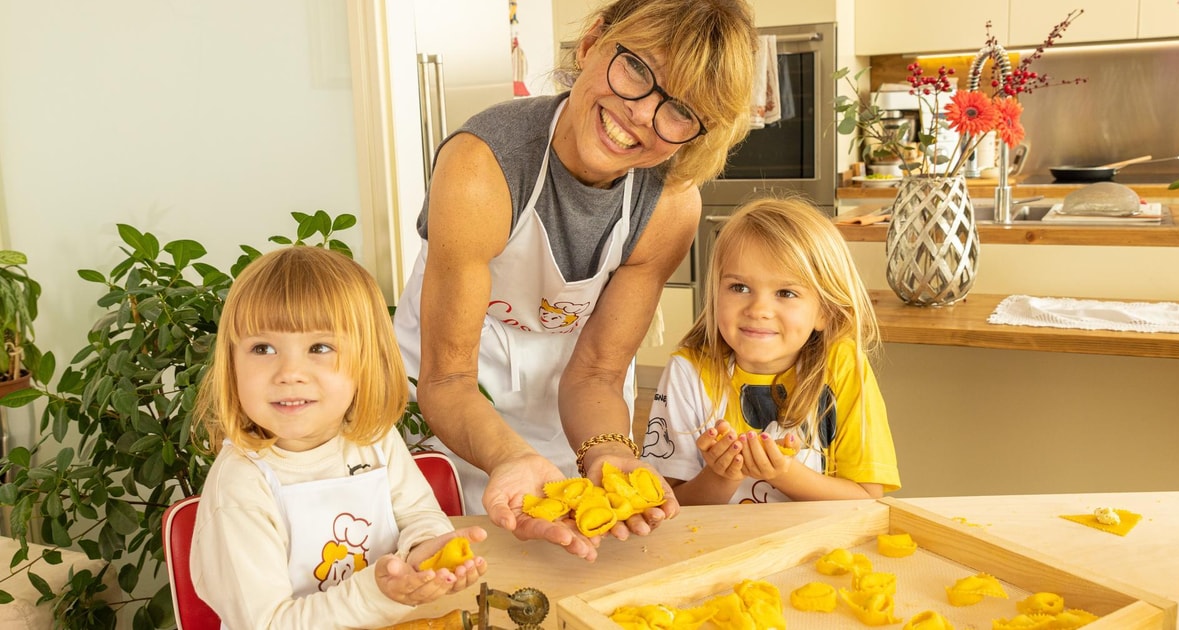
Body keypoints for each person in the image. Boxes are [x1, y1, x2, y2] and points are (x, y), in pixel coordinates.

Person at [391, 0, 757, 561]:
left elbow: (596, 375)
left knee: (559, 561)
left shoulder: (669, 208)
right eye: (637, 69)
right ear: (592, 43)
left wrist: (608, 454)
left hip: (569, 395)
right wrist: (510, 457)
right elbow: (448, 382)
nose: (641, 115)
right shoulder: (482, 166)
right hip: (453, 393)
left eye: (679, 109)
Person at [190, 246, 486, 629]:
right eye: (262, 348)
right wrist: (379, 594)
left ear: (367, 362)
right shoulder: (241, 485)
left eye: (320, 347)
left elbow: (418, 515)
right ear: (231, 364)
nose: (289, 372)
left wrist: (426, 552)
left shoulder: (375, 440)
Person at [640, 198, 901, 505]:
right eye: (739, 287)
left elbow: (867, 498)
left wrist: (782, 473)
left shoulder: (843, 365)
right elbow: (670, 504)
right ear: (715, 293)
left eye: (786, 293)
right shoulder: (688, 371)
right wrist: (721, 475)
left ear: (824, 312)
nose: (759, 309)